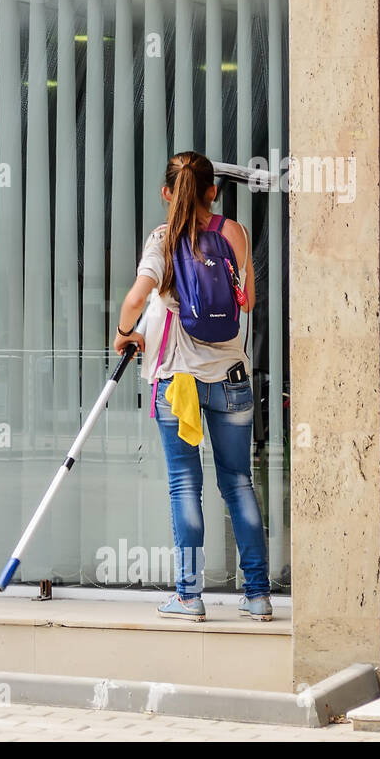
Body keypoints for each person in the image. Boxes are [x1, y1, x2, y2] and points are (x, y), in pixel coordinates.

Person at [112, 151, 272, 622]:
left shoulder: (163, 240)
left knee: (186, 487)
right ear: (213, 191)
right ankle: (258, 595)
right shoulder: (233, 233)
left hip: (176, 381)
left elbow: (136, 298)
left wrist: (126, 332)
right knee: (239, 483)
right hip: (233, 379)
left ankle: (189, 596)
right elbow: (249, 302)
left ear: (167, 192)